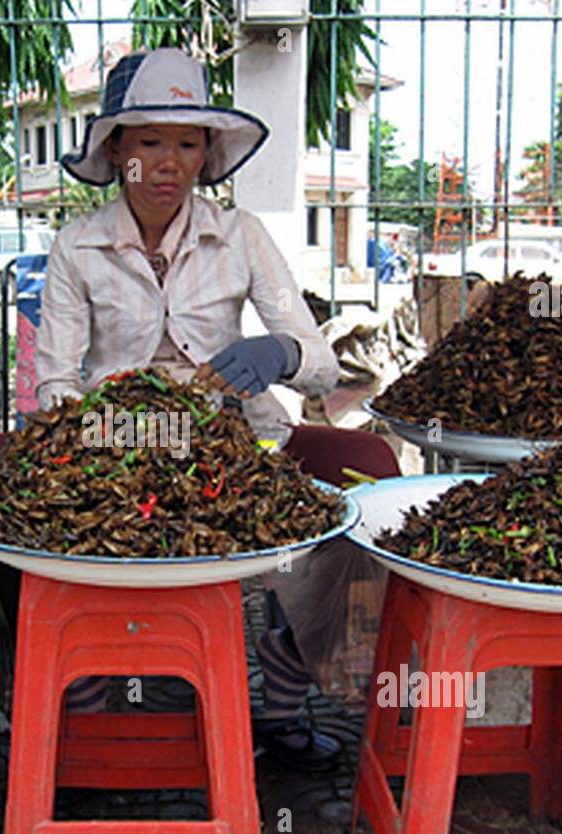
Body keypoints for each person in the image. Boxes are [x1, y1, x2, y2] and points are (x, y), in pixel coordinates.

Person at [33, 47, 354, 770]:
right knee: (17, 506)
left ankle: (281, 706)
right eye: (149, 141)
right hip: (106, 441)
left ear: (208, 153)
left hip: (235, 443)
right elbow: (55, 385)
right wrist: (109, 425)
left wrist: (276, 354)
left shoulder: (240, 235)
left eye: (187, 142)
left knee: (347, 499)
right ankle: (80, 711)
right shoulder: (76, 246)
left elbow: (322, 361)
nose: (168, 162)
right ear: (116, 151)